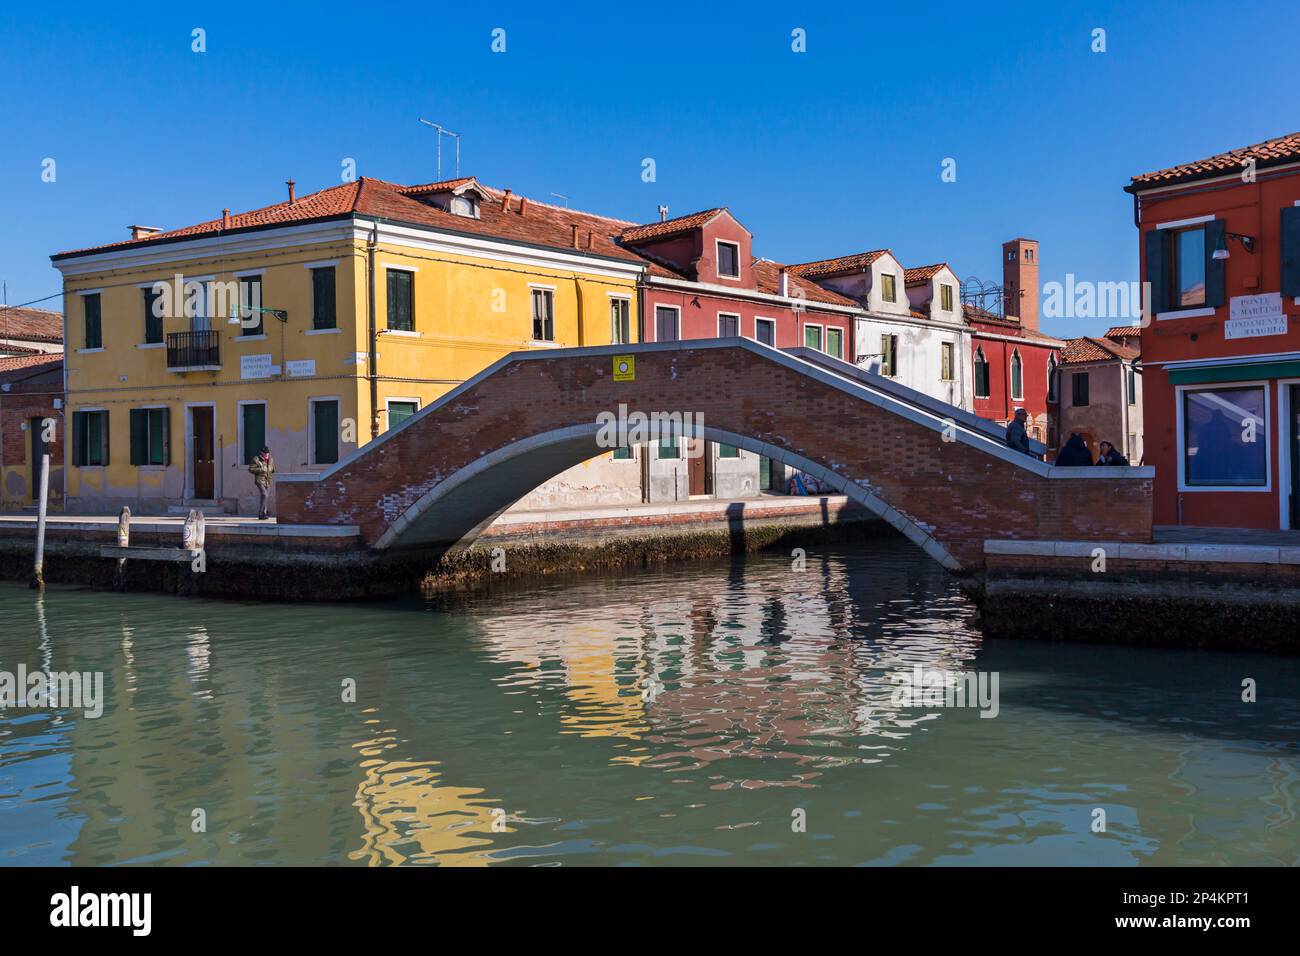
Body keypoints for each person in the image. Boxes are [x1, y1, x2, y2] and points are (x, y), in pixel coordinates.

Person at [249, 445, 276, 520]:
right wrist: (260, 469)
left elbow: (273, 469)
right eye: (265, 454)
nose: (267, 455)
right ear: (262, 453)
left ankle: (264, 514)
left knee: (266, 497)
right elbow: (251, 469)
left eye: (268, 453)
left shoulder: (271, 460)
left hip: (268, 480)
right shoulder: (256, 459)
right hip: (260, 480)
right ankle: (261, 513)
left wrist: (272, 470)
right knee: (264, 494)